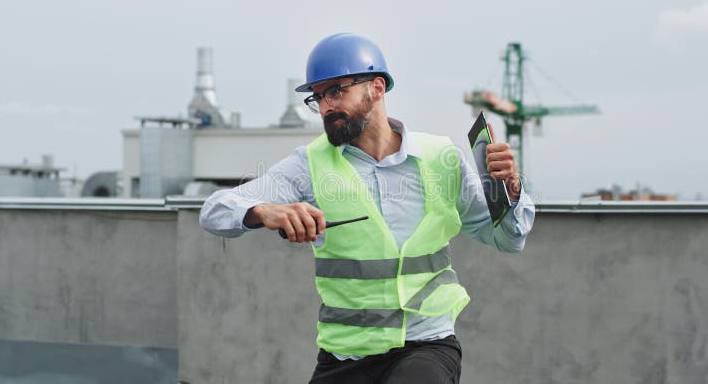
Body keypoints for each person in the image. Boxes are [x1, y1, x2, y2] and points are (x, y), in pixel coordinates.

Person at [199, 33, 535, 384]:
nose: (326, 106)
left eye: (336, 91)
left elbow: (509, 239)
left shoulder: (442, 159)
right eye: (318, 97)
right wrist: (264, 211)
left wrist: (511, 189)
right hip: (344, 356)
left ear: (376, 87)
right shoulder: (309, 166)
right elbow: (214, 210)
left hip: (426, 346)